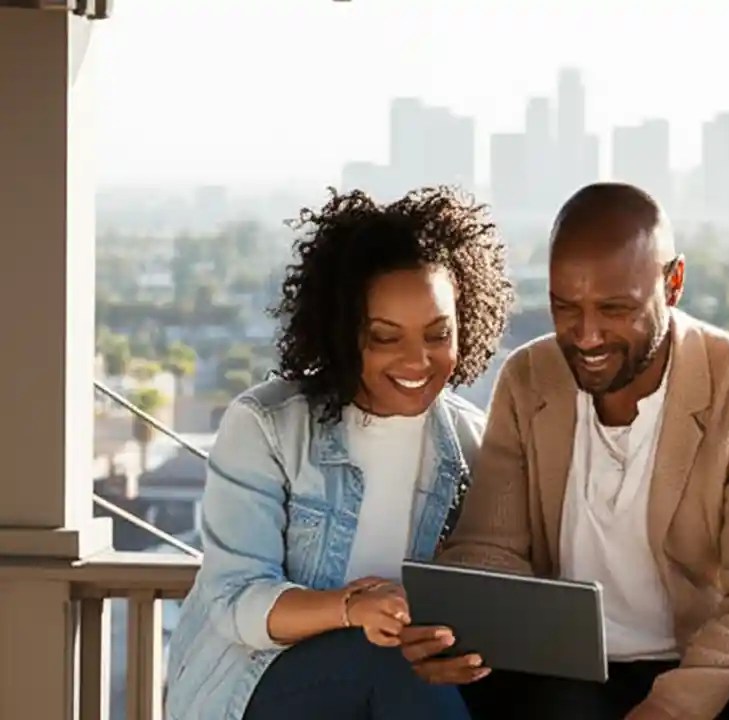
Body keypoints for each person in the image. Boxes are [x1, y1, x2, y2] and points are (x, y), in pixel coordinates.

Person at [411, 182, 729, 720]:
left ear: (673, 283)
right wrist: (455, 629)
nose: (587, 335)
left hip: (716, 671)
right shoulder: (530, 380)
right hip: (573, 674)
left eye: (615, 309)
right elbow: (491, 552)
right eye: (564, 307)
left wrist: (663, 712)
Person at [163, 187, 515, 720]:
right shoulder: (268, 426)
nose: (417, 360)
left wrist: (444, 650)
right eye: (386, 337)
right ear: (344, 332)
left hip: (390, 691)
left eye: (437, 334)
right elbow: (235, 600)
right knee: (384, 662)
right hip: (252, 688)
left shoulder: (470, 444)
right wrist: (352, 610)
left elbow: (475, 597)